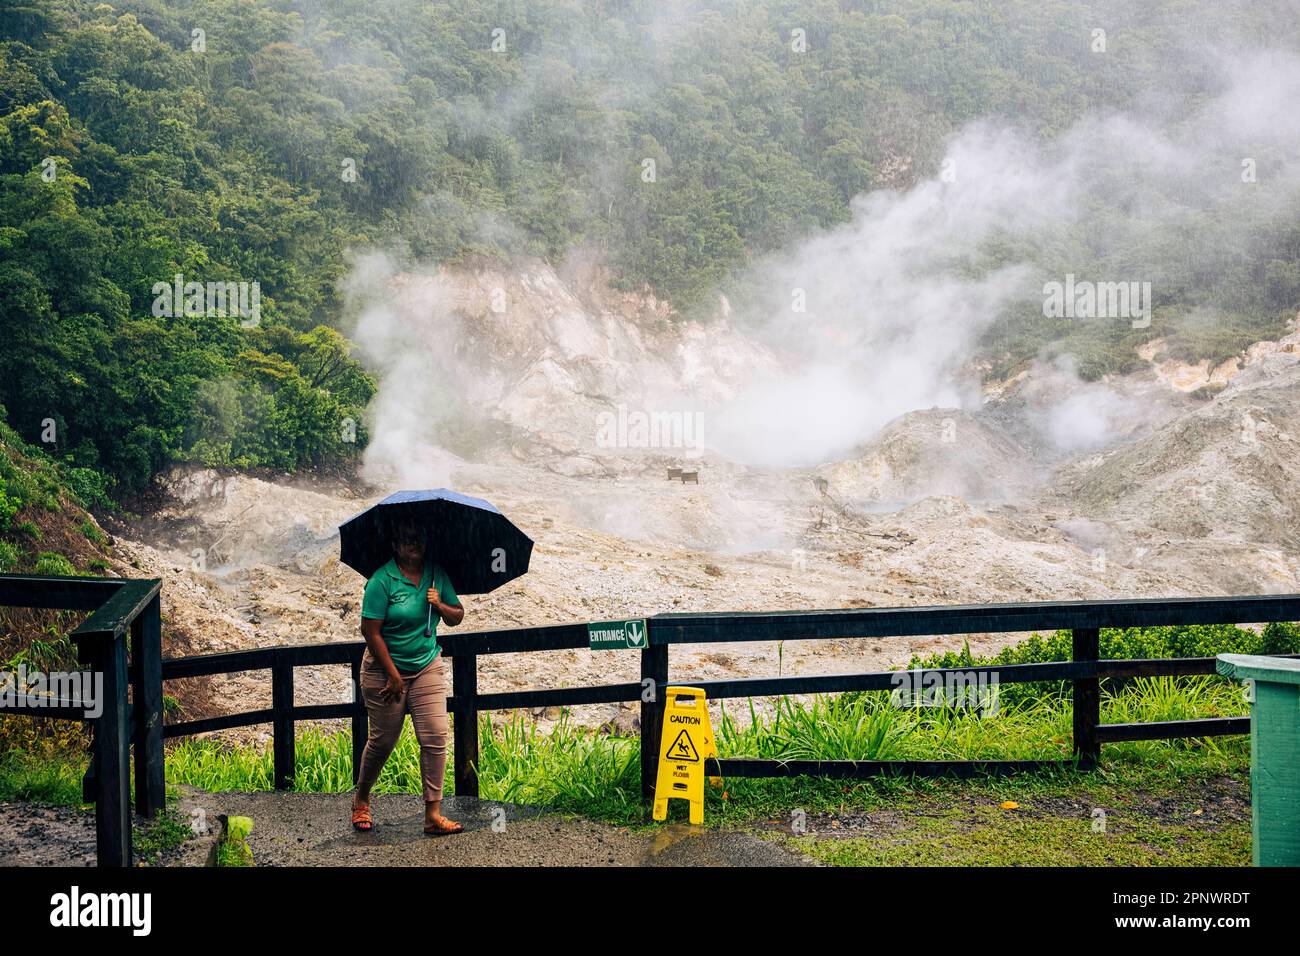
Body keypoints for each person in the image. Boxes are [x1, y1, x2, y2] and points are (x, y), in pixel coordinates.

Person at [350, 516, 465, 835]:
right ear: (394, 546)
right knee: (383, 740)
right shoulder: (381, 580)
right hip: (383, 671)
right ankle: (361, 798)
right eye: (405, 541)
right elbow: (370, 632)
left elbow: (457, 616)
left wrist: (439, 603)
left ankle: (432, 815)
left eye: (417, 540)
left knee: (435, 736)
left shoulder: (435, 574)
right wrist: (393, 674)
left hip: (426, 664)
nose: (412, 546)